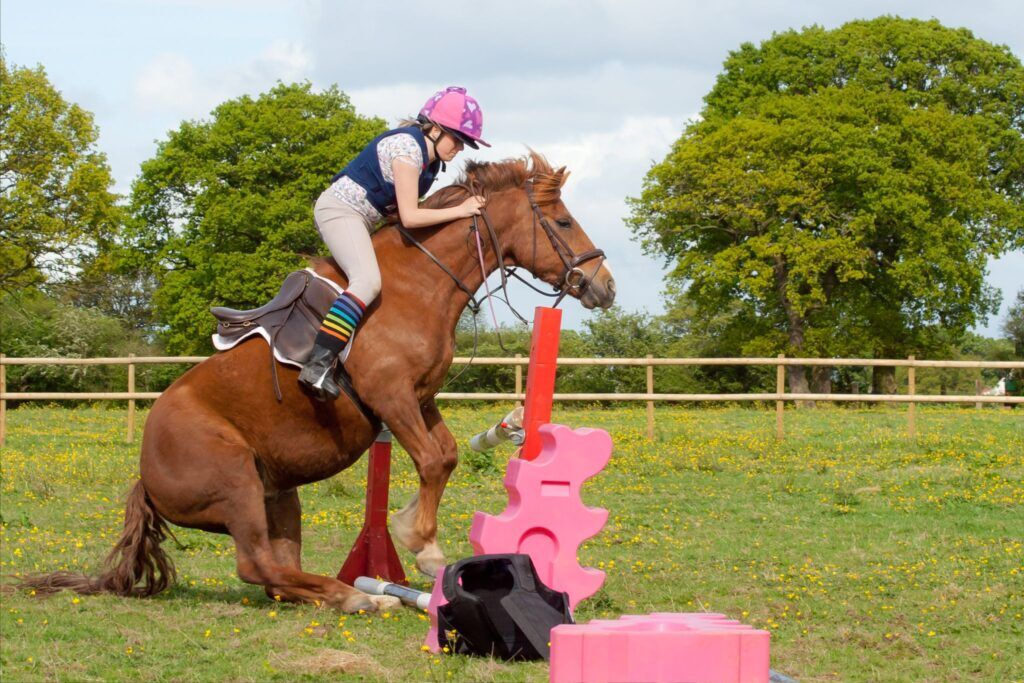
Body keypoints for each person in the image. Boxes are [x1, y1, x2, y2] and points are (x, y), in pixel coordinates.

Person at [299, 86, 490, 401]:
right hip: (340, 211)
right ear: (435, 129)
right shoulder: (407, 151)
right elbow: (411, 218)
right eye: (457, 139)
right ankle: (317, 364)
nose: (460, 148)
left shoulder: (429, 163)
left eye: (464, 142)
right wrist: (463, 209)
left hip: (363, 218)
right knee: (367, 281)